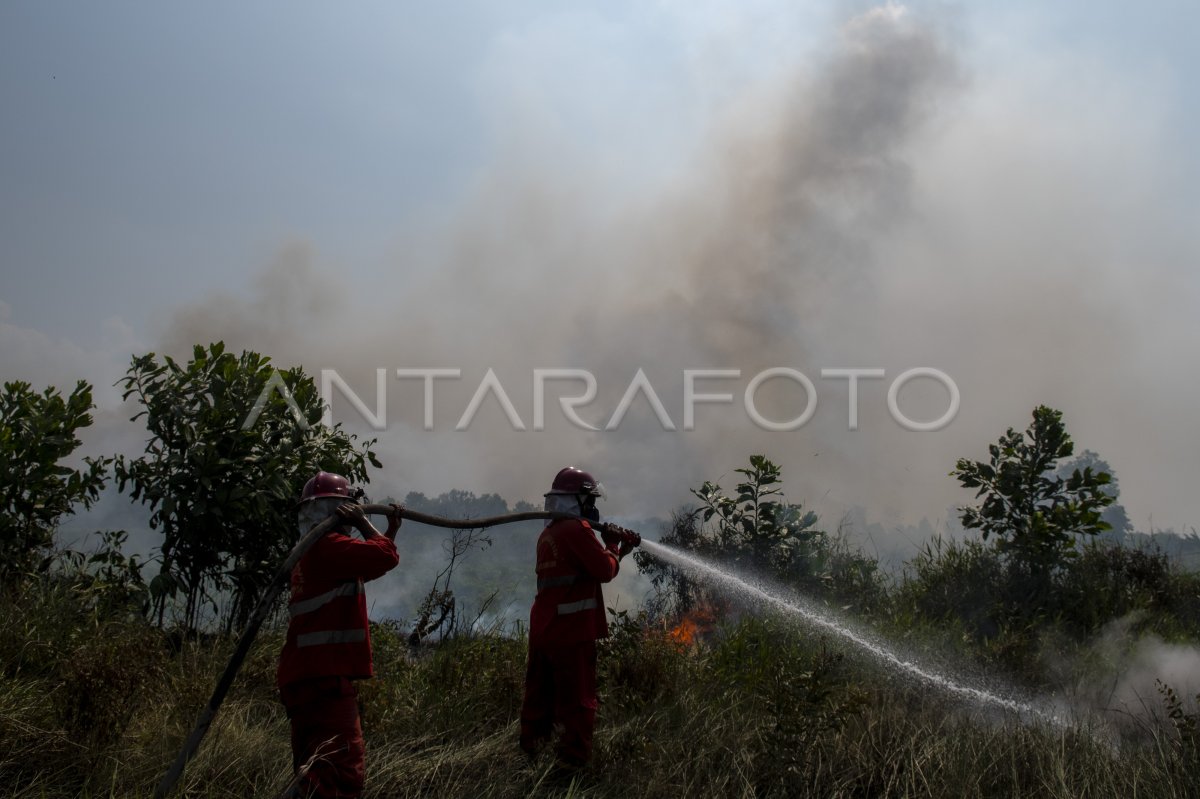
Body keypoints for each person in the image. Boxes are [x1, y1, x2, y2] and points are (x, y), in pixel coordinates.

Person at [277, 471, 402, 799]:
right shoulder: (328, 546)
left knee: (315, 770)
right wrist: (365, 525)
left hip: (307, 678)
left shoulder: (312, 552)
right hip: (324, 680)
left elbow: (371, 566)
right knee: (340, 772)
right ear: (343, 510)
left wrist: (389, 531)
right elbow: (385, 556)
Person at [519, 466, 639, 769]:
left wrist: (618, 550)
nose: (593, 507)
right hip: (571, 634)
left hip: (545, 630)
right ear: (578, 500)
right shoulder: (576, 531)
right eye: (589, 500)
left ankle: (531, 756)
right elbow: (604, 570)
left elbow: (591, 568)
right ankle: (571, 769)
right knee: (577, 704)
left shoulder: (549, 534)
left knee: (539, 699)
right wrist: (613, 545)